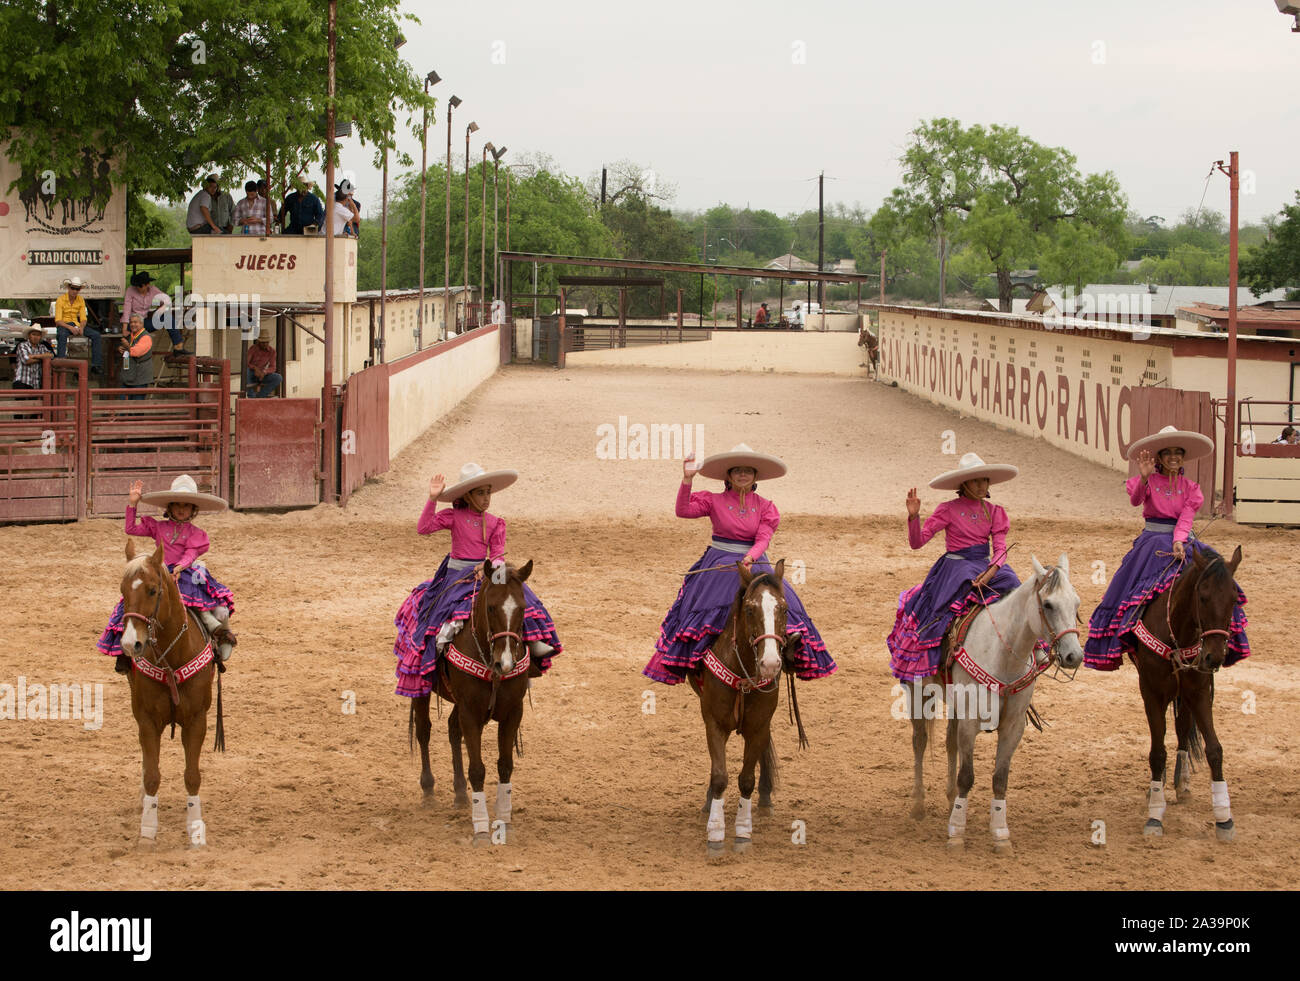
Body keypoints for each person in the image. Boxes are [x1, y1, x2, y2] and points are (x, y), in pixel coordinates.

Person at [643, 443, 835, 685]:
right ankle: (698, 660)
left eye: (748, 471)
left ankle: (789, 649)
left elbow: (764, 537)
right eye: (737, 471)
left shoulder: (766, 506)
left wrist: (751, 557)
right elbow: (683, 511)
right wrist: (687, 480)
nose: (742, 475)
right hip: (719, 561)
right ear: (728, 476)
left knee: (785, 603)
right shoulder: (712, 500)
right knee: (701, 605)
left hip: (755, 561)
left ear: (756, 476)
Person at [1083, 426, 1249, 671]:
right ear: (1159, 458)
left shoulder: (1191, 488)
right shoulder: (1147, 480)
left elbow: (1186, 517)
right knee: (1124, 589)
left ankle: (1218, 636)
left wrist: (1179, 540)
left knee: (1219, 583)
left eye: (1178, 452)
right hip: (1151, 544)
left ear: (1183, 457)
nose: (1174, 457)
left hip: (1182, 541)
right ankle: (1132, 640)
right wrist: (1143, 477)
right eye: (1168, 452)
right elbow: (1135, 500)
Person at [392, 464, 562, 698]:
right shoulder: (453, 516)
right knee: (440, 613)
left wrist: (491, 565)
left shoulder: (495, 522)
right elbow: (423, 528)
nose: (486, 499)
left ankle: (531, 648)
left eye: (488, 493)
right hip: (455, 576)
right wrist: (432, 499)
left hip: (489, 572)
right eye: (480, 493)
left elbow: (499, 553)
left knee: (521, 598)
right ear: (468, 495)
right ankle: (438, 655)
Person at [886, 452, 1042, 682]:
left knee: (1018, 594)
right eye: (976, 481)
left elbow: (1000, 549)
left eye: (984, 480)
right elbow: (917, 543)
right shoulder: (947, 510)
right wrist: (914, 517)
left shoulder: (995, 511)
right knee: (943, 611)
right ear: (964, 484)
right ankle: (942, 659)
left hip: (988, 567)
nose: (982, 485)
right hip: (955, 568)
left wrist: (991, 571)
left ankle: (1034, 647)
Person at [97, 474, 238, 672]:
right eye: (177, 505)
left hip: (185, 572)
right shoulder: (158, 527)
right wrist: (132, 505)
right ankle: (124, 653)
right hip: (161, 571)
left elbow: (191, 553)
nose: (181, 509)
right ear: (169, 507)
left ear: (193, 509)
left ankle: (217, 639)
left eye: (186, 505)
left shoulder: (196, 533)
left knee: (204, 603)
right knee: (131, 603)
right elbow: (130, 528)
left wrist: (180, 567)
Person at [121, 271, 186, 354]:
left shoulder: (153, 290)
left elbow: (167, 300)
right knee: (128, 349)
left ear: (147, 284)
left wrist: (159, 311)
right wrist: (124, 328)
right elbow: (126, 308)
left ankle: (178, 347)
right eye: (137, 286)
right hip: (132, 324)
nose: (139, 288)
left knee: (167, 317)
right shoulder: (130, 290)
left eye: (141, 286)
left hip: (144, 322)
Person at [54, 276, 104, 376]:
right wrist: (70, 328)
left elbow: (83, 318)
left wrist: (81, 327)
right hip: (65, 325)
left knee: (96, 335)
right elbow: (58, 320)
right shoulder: (60, 300)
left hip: (76, 324)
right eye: (73, 288)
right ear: (68, 287)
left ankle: (96, 365)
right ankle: (61, 362)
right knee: (62, 335)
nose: (75, 291)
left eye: (77, 289)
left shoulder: (81, 300)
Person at [12, 325, 53, 416]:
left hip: (35, 382)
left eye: (38, 335)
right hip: (22, 380)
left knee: (34, 408)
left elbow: (50, 355)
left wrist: (35, 356)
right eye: (33, 334)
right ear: (29, 336)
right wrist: (42, 359)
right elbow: (26, 360)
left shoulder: (42, 347)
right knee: (20, 407)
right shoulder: (22, 345)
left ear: (40, 337)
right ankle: (19, 427)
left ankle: (32, 427)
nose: (36, 337)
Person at [118, 315, 153, 400]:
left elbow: (135, 352)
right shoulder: (131, 336)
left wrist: (127, 346)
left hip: (140, 378)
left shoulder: (146, 337)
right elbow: (129, 350)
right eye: (131, 322)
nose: (133, 324)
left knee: (137, 408)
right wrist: (122, 348)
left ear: (141, 323)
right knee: (123, 405)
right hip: (128, 375)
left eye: (135, 322)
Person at [245, 331, 282, 398]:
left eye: (267, 342)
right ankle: (252, 397)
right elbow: (246, 363)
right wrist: (255, 368)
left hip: (262, 374)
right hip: (251, 373)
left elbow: (273, 367)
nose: (265, 344)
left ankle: (260, 396)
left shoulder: (272, 351)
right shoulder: (253, 348)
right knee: (246, 371)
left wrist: (264, 372)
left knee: (278, 377)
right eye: (263, 342)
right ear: (259, 342)